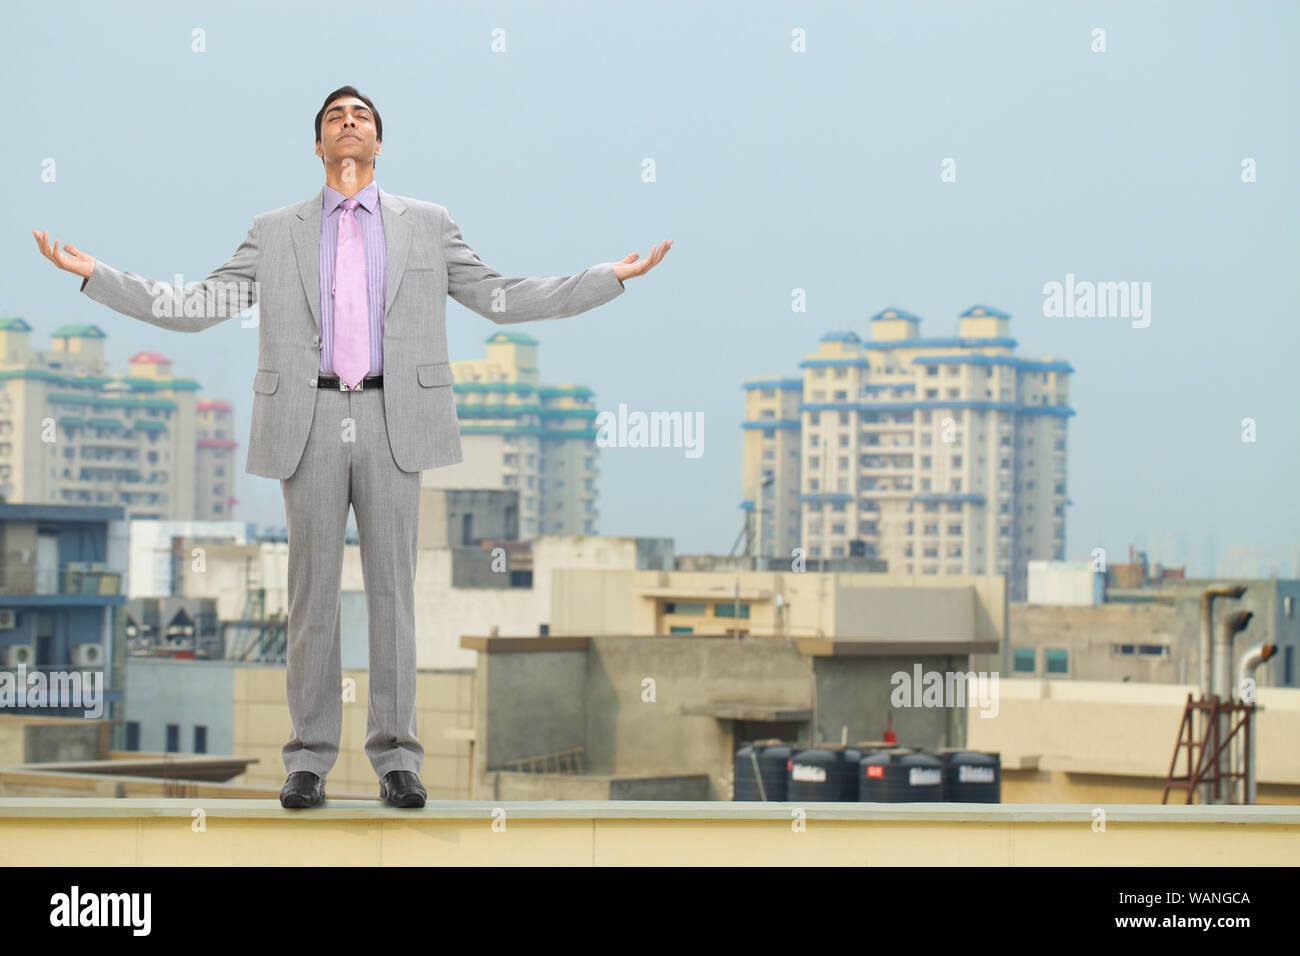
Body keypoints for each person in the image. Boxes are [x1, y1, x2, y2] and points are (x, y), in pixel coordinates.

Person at [33, 84, 671, 809]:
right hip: (304, 418)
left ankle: (398, 759)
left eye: (360, 115)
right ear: (318, 145)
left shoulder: (427, 225)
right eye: (335, 116)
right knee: (311, 600)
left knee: (394, 598)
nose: (348, 123)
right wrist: (97, 275)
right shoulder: (275, 230)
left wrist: (603, 279)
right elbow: (195, 306)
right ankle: (307, 761)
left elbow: (500, 297)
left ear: (376, 142)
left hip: (394, 417)